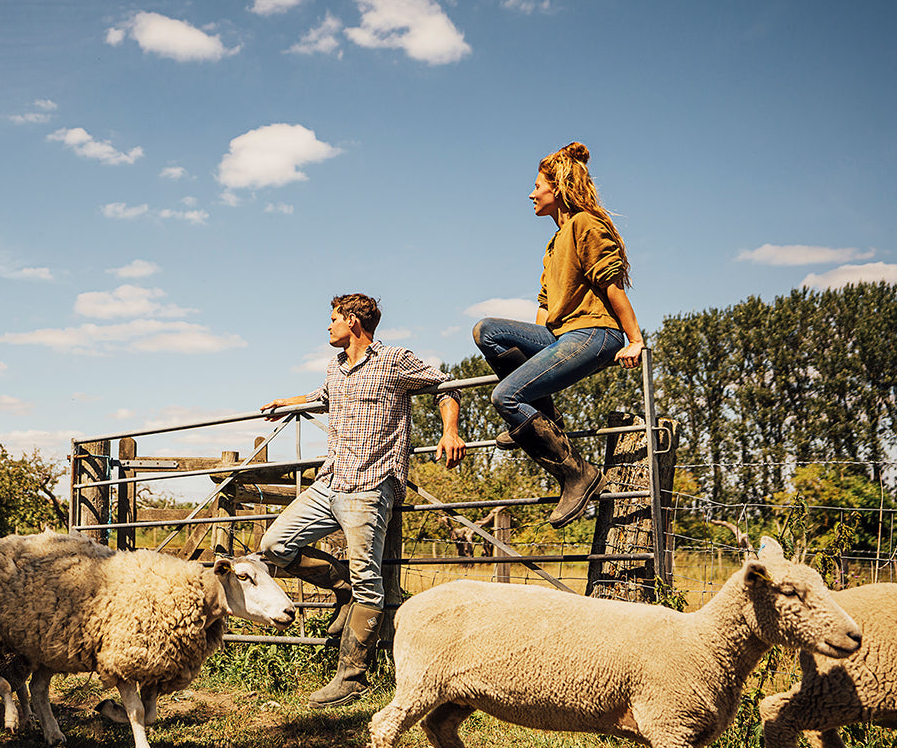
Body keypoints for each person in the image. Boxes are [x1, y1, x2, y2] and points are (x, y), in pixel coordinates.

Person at [257, 293, 464, 707]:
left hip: (370, 484)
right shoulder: (336, 367)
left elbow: (447, 385)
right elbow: (324, 395)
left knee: (369, 578)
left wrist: (450, 431)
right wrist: (287, 402)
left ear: (352, 321)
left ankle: (352, 677)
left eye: (333, 319)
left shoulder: (394, 360)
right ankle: (341, 585)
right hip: (330, 482)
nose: (328, 326)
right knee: (273, 546)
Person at [473, 141, 644, 528]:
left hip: (595, 332)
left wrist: (635, 338)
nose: (532, 194)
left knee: (506, 395)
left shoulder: (585, 224)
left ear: (559, 187)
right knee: (488, 331)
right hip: (561, 334)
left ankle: (576, 474)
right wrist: (533, 355)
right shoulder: (553, 244)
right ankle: (541, 419)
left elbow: (613, 285)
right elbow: (546, 308)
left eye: (538, 186)